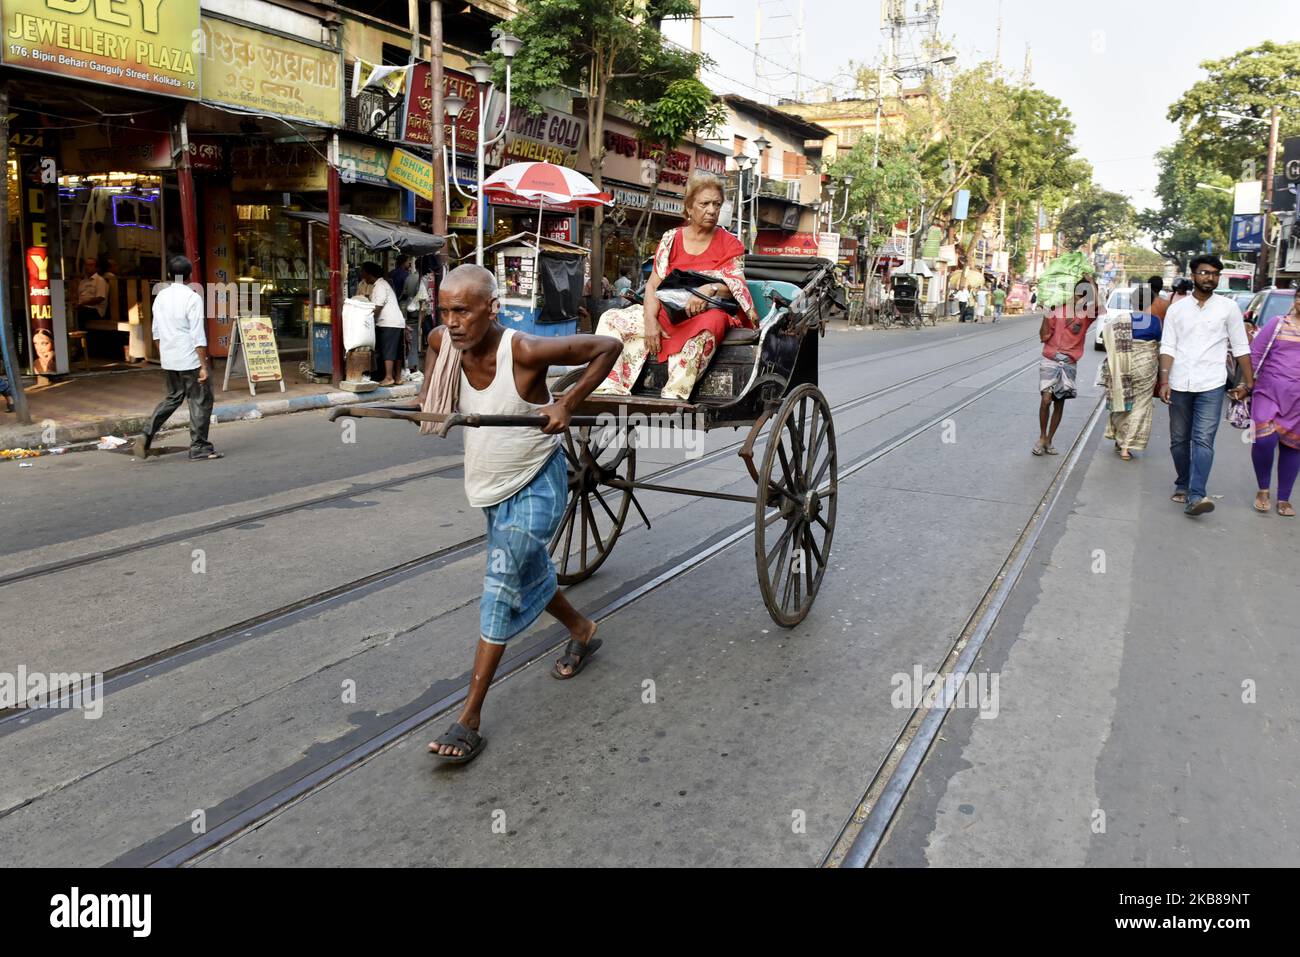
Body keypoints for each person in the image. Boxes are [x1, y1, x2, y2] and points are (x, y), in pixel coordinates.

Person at [418, 265, 620, 764]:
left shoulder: (524, 351)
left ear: (492, 307)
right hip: (490, 487)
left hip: (537, 482)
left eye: (463, 310)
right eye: (445, 311)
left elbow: (607, 348)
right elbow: (432, 378)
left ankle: (469, 717)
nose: (453, 322)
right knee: (529, 573)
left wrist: (568, 402)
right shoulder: (442, 343)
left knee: (501, 583)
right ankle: (582, 631)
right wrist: (428, 401)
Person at [592, 171, 759, 401]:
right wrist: (650, 321)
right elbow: (652, 286)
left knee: (708, 327)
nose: (711, 210)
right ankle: (610, 389)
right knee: (610, 318)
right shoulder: (671, 239)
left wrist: (708, 289)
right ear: (689, 208)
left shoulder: (731, 244)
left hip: (707, 313)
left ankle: (674, 395)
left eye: (716, 204)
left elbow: (736, 286)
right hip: (667, 312)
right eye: (705, 204)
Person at [1158, 255, 1254, 516]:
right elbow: (1168, 346)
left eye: (1214, 273)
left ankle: (1197, 495)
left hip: (1211, 384)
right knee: (1179, 440)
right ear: (1193, 275)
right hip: (1179, 383)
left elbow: (1241, 347)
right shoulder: (1176, 309)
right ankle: (1183, 482)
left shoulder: (1228, 308)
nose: (1209, 277)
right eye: (1204, 273)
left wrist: (1248, 381)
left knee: (1203, 440)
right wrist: (1164, 379)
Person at [139, 255, 221, 460]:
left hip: (169, 358)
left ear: (168, 274)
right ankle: (199, 446)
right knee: (200, 399)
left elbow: (156, 332)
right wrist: (203, 365)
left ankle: (146, 434)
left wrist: (165, 355)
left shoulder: (160, 297)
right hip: (189, 358)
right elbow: (197, 336)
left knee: (173, 397)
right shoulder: (192, 297)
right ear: (189, 275)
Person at [1248, 292, 1300, 517]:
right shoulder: (1277, 323)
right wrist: (1246, 384)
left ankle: (1284, 498)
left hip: (1297, 400)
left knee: (1293, 446)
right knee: (1264, 440)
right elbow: (1255, 353)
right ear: (1295, 300)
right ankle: (1263, 489)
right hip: (1267, 392)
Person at [1034, 278, 1099, 456]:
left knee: (1059, 402)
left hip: (1069, 362)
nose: (1080, 299)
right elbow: (1043, 336)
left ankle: (1049, 440)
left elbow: (1098, 307)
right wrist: (1046, 316)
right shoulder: (1056, 310)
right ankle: (1041, 436)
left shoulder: (1086, 316)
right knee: (1046, 399)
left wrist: (1091, 281)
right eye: (1078, 295)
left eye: (1085, 296)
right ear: (1073, 294)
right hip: (1050, 359)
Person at [1100, 277, 1163, 460]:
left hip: (1122, 366)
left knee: (1122, 400)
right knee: (1141, 404)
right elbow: (1158, 343)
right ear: (1151, 302)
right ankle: (1127, 447)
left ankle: (1120, 440)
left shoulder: (1120, 319)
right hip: (1146, 367)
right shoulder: (1155, 322)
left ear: (1132, 301)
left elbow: (1107, 337)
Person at [360, 261, 406, 386]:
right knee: (397, 351)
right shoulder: (382, 284)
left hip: (388, 322)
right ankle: (397, 377)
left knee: (388, 350)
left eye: (363, 272)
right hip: (397, 322)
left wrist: (366, 318)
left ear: (369, 274)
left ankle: (389, 377)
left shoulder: (380, 285)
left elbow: (378, 306)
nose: (362, 275)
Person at [76, 258, 108, 330]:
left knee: (81, 311)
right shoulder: (82, 282)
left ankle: (82, 335)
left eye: (91, 265)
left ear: (96, 267)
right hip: (83, 307)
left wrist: (83, 303)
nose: (87, 267)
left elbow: (100, 298)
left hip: (95, 310)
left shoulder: (100, 280)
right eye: (86, 265)